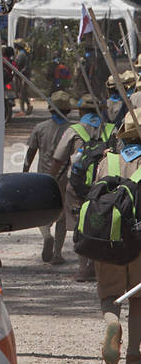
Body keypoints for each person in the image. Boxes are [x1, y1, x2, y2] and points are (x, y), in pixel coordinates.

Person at [88, 113, 141, 364]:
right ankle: (133, 353)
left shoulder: (106, 161)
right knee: (138, 298)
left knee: (110, 294)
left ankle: (112, 322)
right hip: (138, 242)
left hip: (108, 240)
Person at [51, 93, 116, 281]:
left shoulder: (74, 130)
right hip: (104, 186)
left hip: (78, 186)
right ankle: (97, 268)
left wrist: (51, 178)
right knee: (99, 224)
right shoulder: (112, 129)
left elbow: (58, 158)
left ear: (80, 111)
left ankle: (83, 269)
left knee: (81, 226)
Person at [23, 90, 72, 264]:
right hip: (65, 178)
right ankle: (57, 254)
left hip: (44, 178)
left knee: (43, 212)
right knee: (63, 215)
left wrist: (25, 172)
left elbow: (31, 152)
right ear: (68, 110)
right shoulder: (73, 130)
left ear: (50, 109)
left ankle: (46, 235)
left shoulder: (40, 128)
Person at [13, 39, 33, 114]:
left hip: (23, 76)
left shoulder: (21, 54)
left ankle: (22, 110)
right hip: (23, 75)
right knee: (23, 93)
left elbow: (19, 65)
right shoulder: (23, 53)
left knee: (21, 93)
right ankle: (28, 105)